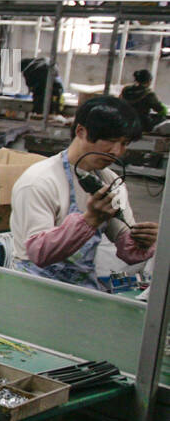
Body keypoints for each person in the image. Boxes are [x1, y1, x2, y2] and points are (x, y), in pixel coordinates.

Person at [10, 94, 156, 290]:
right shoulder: (39, 181)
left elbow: (127, 248)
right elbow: (39, 253)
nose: (116, 151)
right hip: (32, 286)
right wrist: (90, 220)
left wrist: (143, 241)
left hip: (81, 287)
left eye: (124, 143)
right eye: (111, 140)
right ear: (80, 131)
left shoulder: (110, 181)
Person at [121, 69, 167, 134]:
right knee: (163, 118)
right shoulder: (148, 93)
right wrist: (163, 109)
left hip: (125, 121)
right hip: (142, 124)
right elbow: (160, 109)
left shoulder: (126, 90)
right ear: (149, 81)